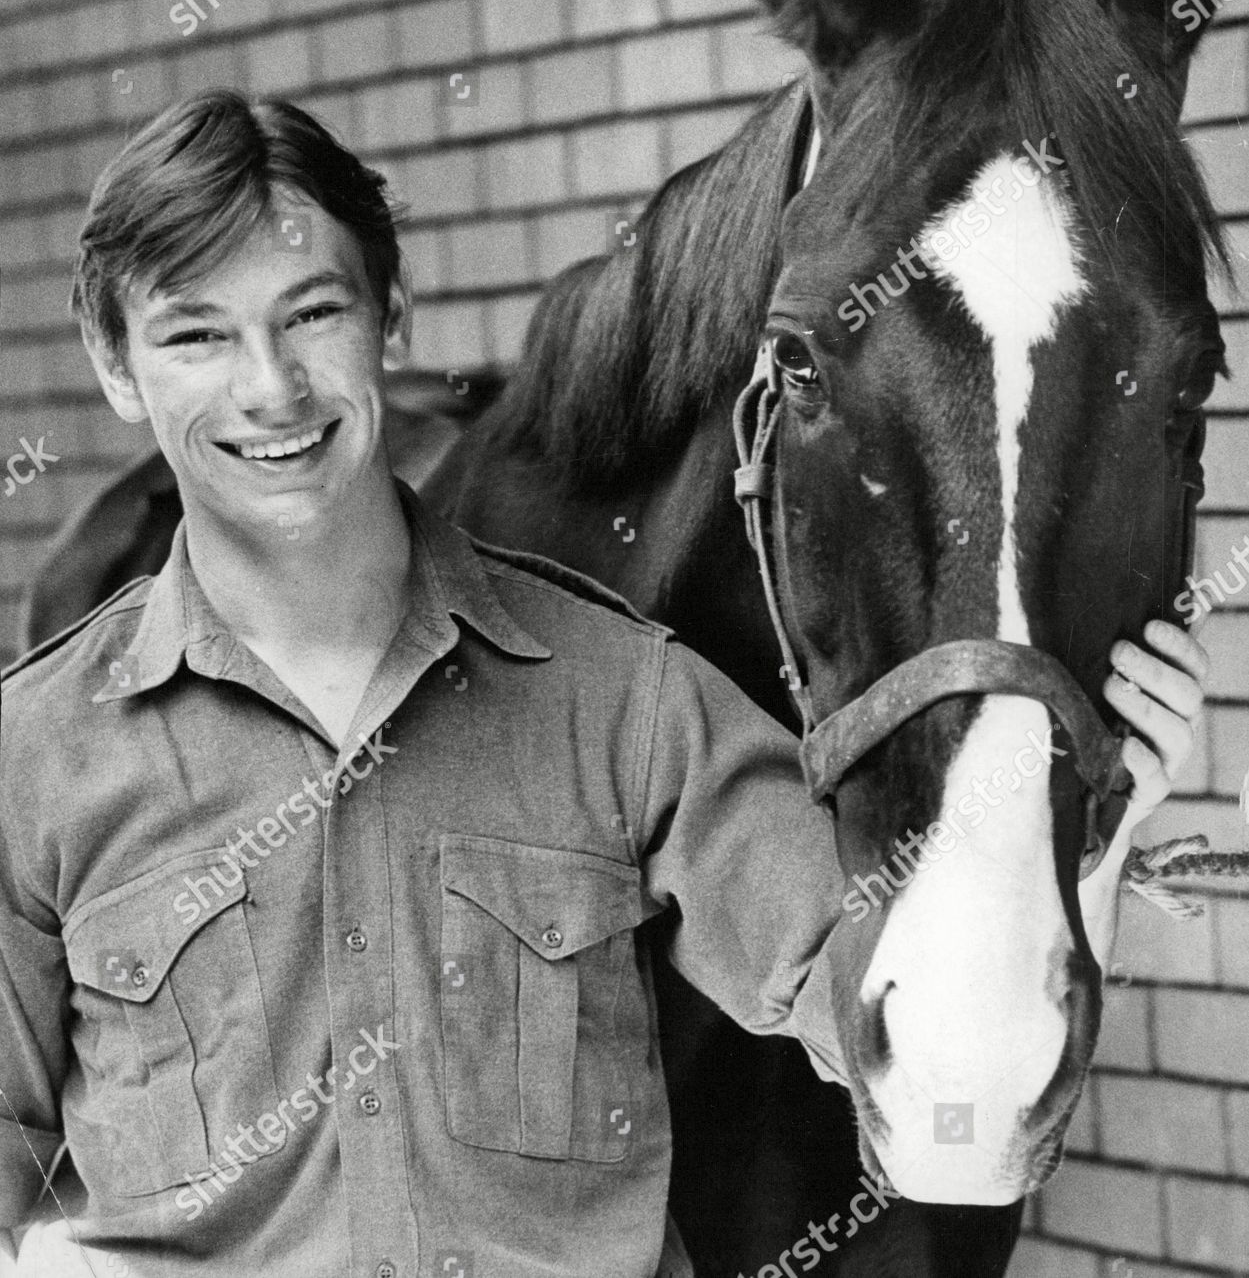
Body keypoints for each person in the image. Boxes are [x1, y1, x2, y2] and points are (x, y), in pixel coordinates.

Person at [0, 92, 1209, 1278]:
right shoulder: (33, 760)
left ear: (391, 318)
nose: (269, 387)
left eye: (311, 314)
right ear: (115, 366)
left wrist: (1076, 831)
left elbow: (954, 1120)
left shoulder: (627, 704)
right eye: (195, 334)